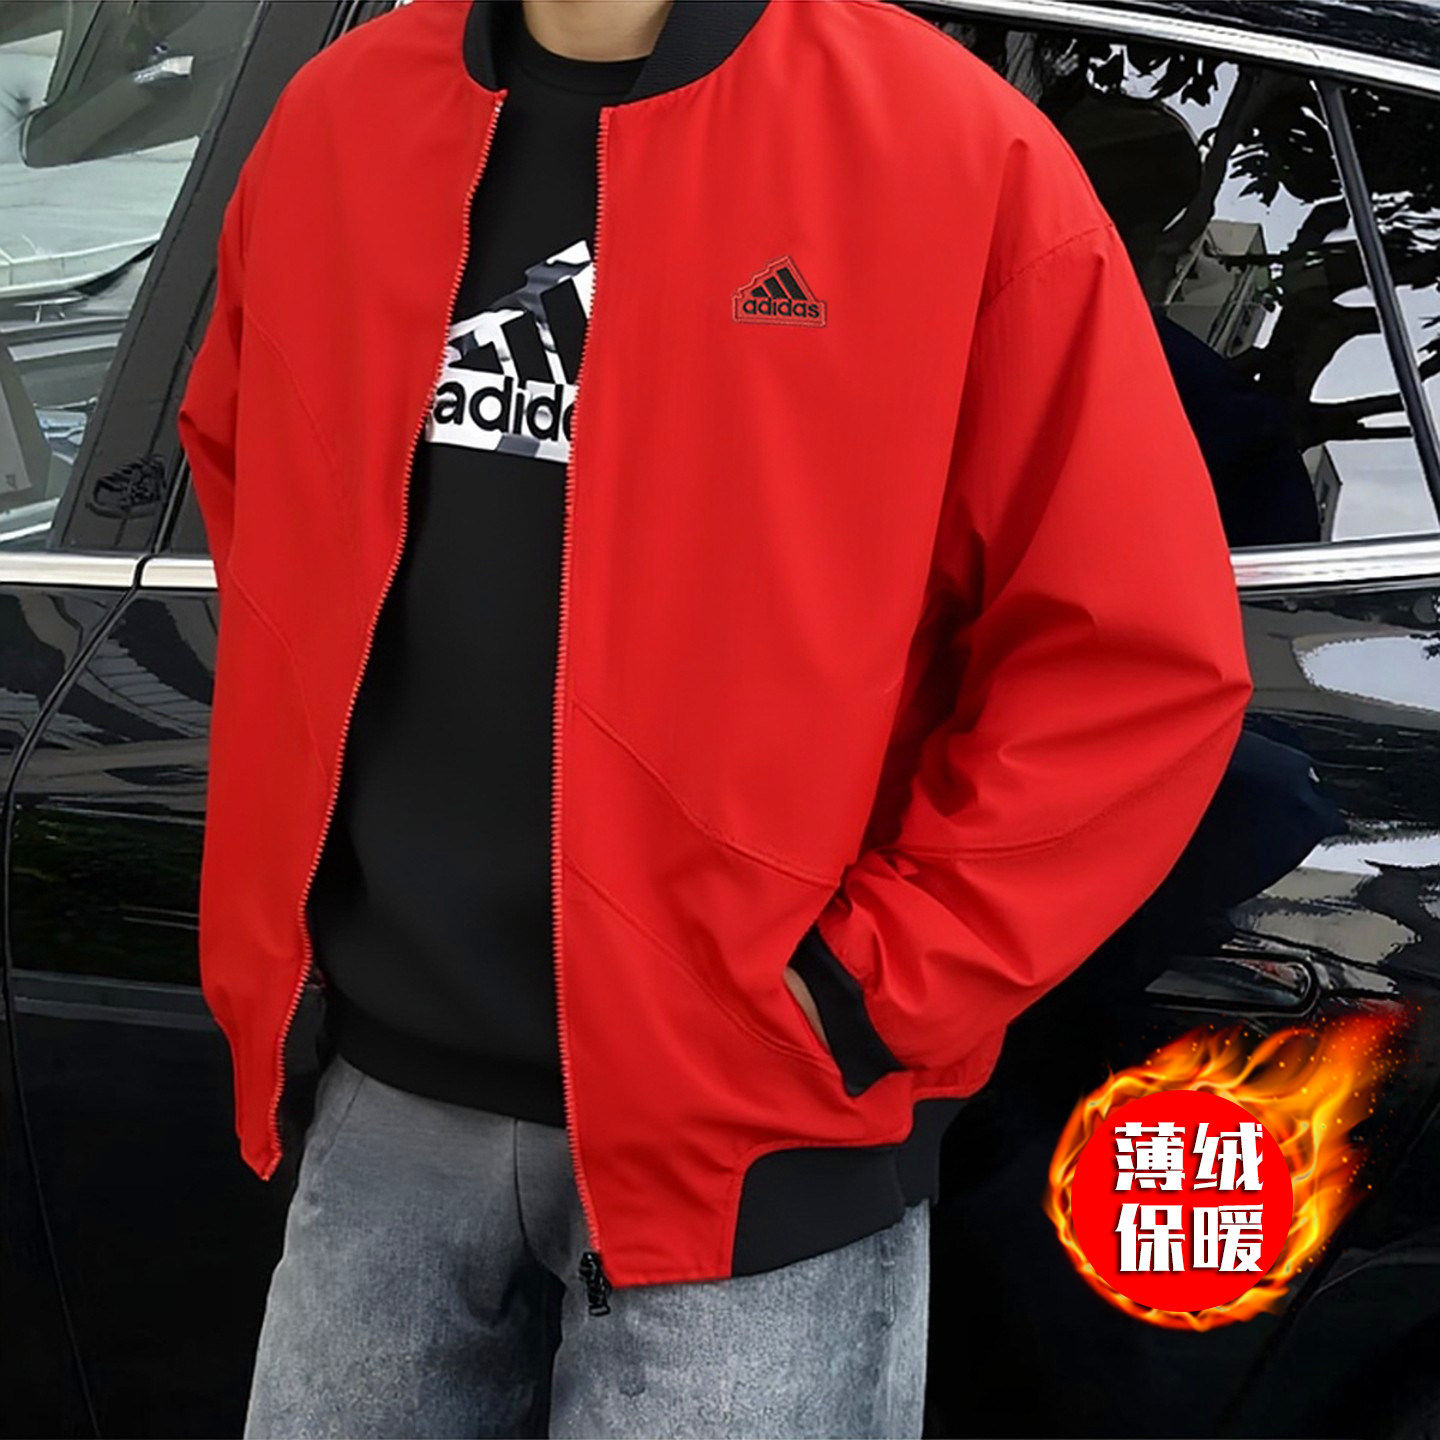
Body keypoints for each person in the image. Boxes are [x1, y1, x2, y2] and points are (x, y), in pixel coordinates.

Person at [175, 1, 1254, 1436]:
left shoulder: (946, 147)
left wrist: (866, 992)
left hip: (756, 1149)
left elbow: (1129, 652)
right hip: (385, 1110)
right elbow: (255, 491)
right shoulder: (337, 121)